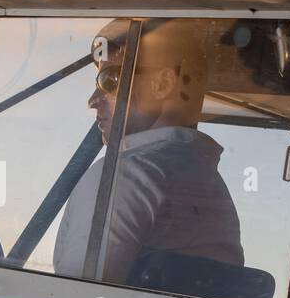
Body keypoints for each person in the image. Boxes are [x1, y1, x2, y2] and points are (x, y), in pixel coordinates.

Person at [52, 18, 244, 284]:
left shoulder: (124, 177)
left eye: (111, 79)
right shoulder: (209, 186)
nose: (93, 101)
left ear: (164, 83)